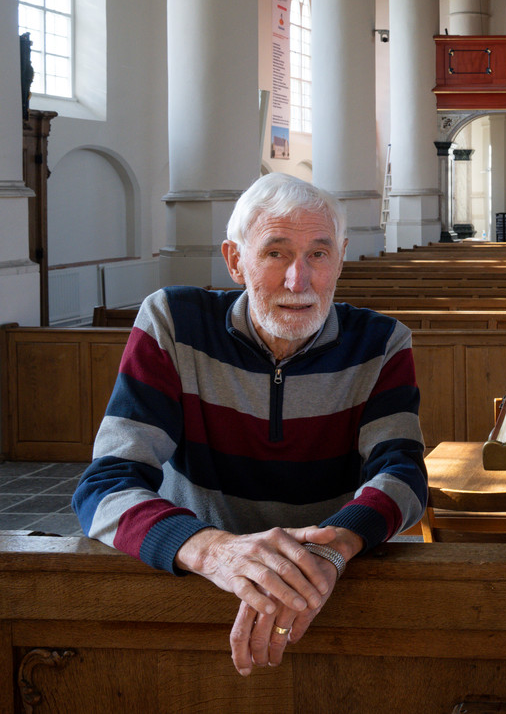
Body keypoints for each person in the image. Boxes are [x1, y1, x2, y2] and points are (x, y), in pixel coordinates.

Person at [73, 173, 427, 675]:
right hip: (192, 587)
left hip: (327, 594)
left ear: (341, 258)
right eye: (275, 253)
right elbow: (104, 487)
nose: (298, 281)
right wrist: (215, 551)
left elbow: (404, 474)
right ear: (235, 260)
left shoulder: (381, 342)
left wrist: (331, 551)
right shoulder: (174, 322)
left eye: (319, 255)